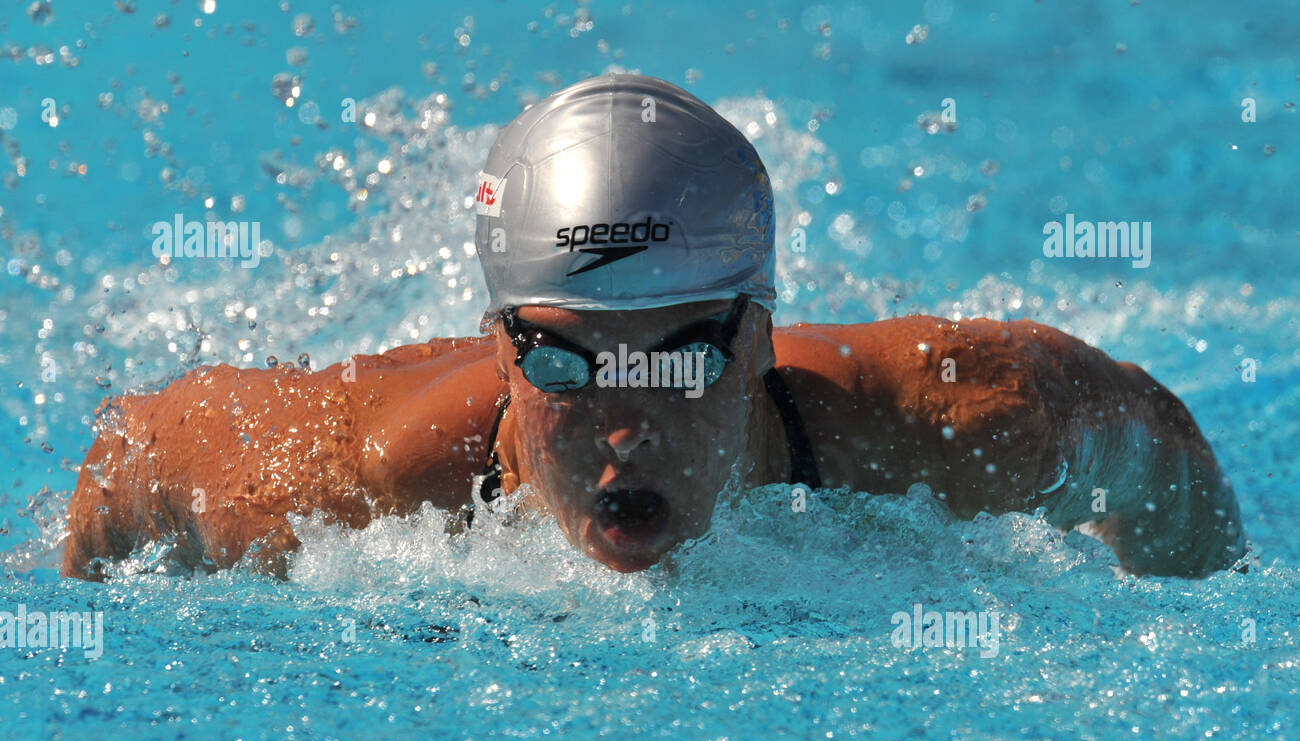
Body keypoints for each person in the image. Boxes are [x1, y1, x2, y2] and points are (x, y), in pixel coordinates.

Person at [62, 74, 1246, 581]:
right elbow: (136, 454)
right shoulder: (346, 483)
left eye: (679, 358)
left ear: (760, 338)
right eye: (565, 361)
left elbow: (1169, 454)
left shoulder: (962, 423)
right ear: (502, 346)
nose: (624, 428)